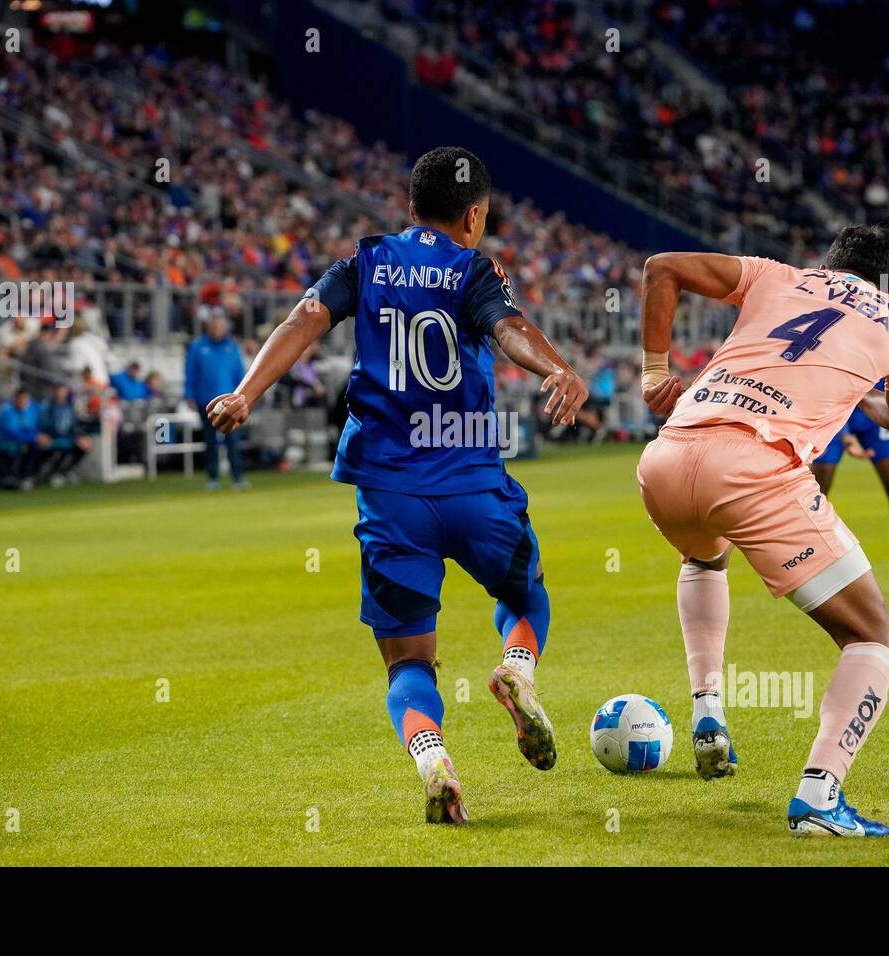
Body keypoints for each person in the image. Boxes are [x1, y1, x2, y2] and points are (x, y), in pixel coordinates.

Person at [205, 146, 589, 824]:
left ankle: (433, 759)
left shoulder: (365, 263)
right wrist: (556, 369)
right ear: (474, 216)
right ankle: (518, 672)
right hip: (471, 481)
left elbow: (303, 320)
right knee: (525, 593)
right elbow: (510, 329)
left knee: (408, 659)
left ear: (412, 208)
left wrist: (244, 393)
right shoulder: (474, 268)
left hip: (387, 490)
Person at [634, 225, 889, 837]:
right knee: (876, 638)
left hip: (668, 455)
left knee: (704, 558)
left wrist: (653, 371)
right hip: (755, 468)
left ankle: (709, 712)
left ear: (830, 262)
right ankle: (820, 798)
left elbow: (661, 266)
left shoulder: (777, 275)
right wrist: (871, 394)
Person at [811, 405, 889, 595]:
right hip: (834, 412)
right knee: (815, 497)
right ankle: (810, 571)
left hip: (876, 413)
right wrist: (846, 436)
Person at [184, 313, 247, 490]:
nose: (216, 330)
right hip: (206, 401)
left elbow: (240, 374)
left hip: (230, 404)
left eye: (219, 326)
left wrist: (243, 396)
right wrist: (189, 394)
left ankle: (238, 477)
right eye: (213, 326)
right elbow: (191, 372)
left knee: (233, 441)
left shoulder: (232, 347)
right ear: (208, 328)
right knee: (210, 442)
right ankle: (213, 478)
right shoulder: (197, 347)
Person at [0, 388, 47, 488]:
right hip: (1, 442)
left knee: (39, 446)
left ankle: (27, 476)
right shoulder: (7, 412)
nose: (23, 402)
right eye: (21, 399)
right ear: (15, 399)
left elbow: (32, 428)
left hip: (19, 441)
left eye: (25, 399)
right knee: (24, 447)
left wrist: (39, 436)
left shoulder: (29, 411)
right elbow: (11, 432)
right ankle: (12, 478)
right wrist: (34, 438)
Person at [37, 383, 92, 486]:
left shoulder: (68, 406)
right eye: (59, 390)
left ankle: (63, 472)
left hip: (67, 438)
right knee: (60, 446)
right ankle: (53, 474)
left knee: (84, 446)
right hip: (51, 437)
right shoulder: (47, 407)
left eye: (64, 390)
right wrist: (73, 438)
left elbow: (73, 426)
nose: (62, 393)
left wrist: (80, 437)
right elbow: (47, 426)